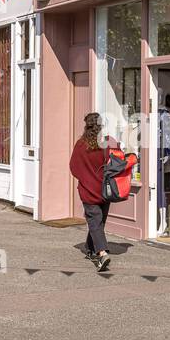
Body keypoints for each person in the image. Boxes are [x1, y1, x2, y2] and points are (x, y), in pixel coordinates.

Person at [69, 112, 117, 272]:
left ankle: (102, 253)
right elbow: (113, 164)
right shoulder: (105, 144)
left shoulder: (80, 145)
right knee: (98, 222)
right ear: (100, 126)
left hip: (88, 191)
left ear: (86, 125)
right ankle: (90, 249)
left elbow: (73, 168)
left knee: (95, 222)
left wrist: (85, 178)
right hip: (105, 190)